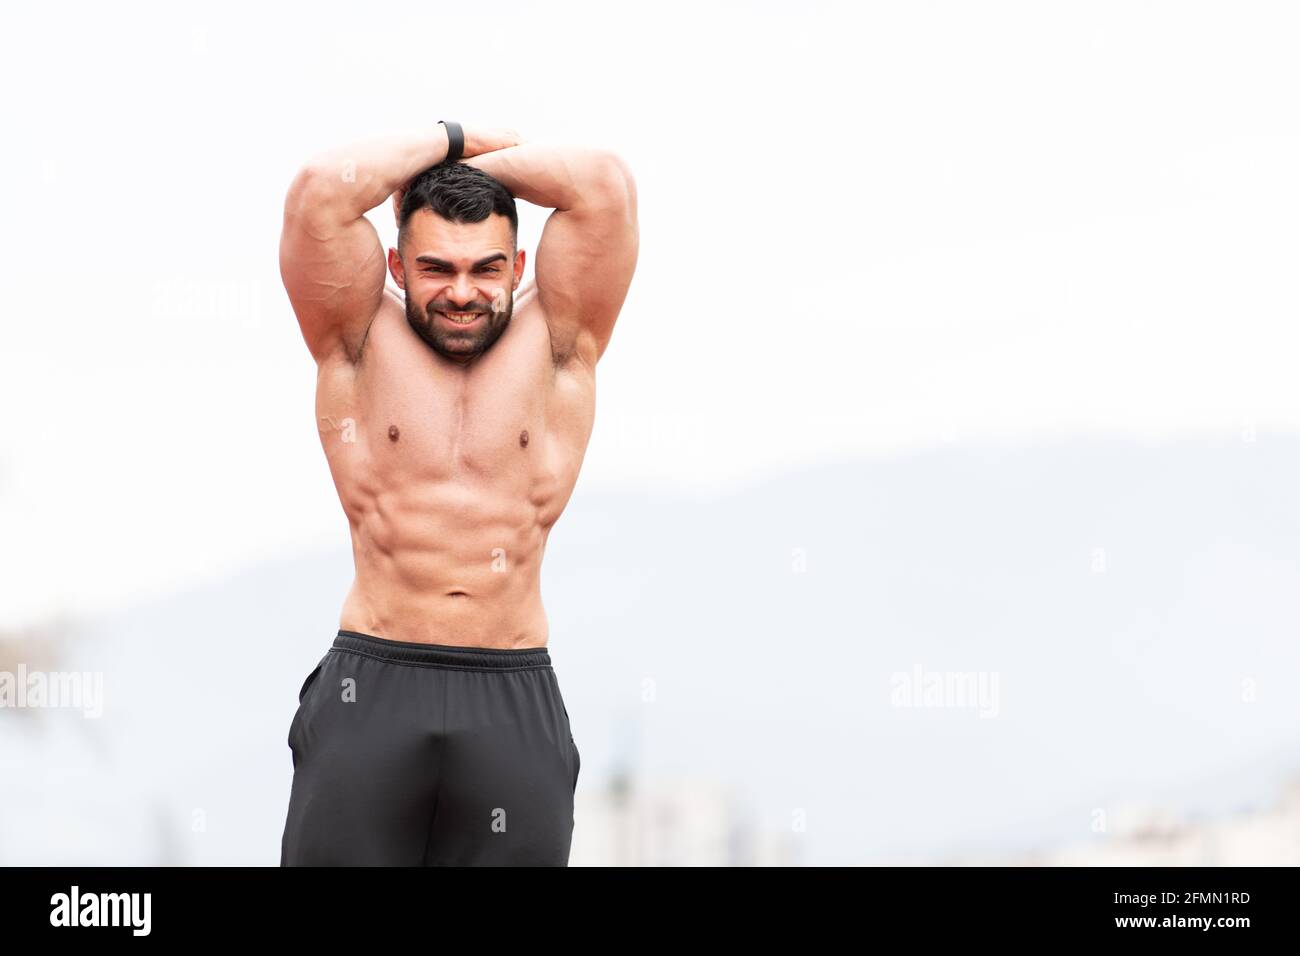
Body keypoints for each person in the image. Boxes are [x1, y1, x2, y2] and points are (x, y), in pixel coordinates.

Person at [276, 121, 638, 865]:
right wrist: (450, 137)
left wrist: (481, 156)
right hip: (372, 686)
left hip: (509, 691)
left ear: (520, 263)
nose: (463, 293)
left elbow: (602, 184)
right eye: (437, 268)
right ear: (396, 265)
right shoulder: (356, 338)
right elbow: (319, 194)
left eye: (486, 268)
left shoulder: (560, 343)